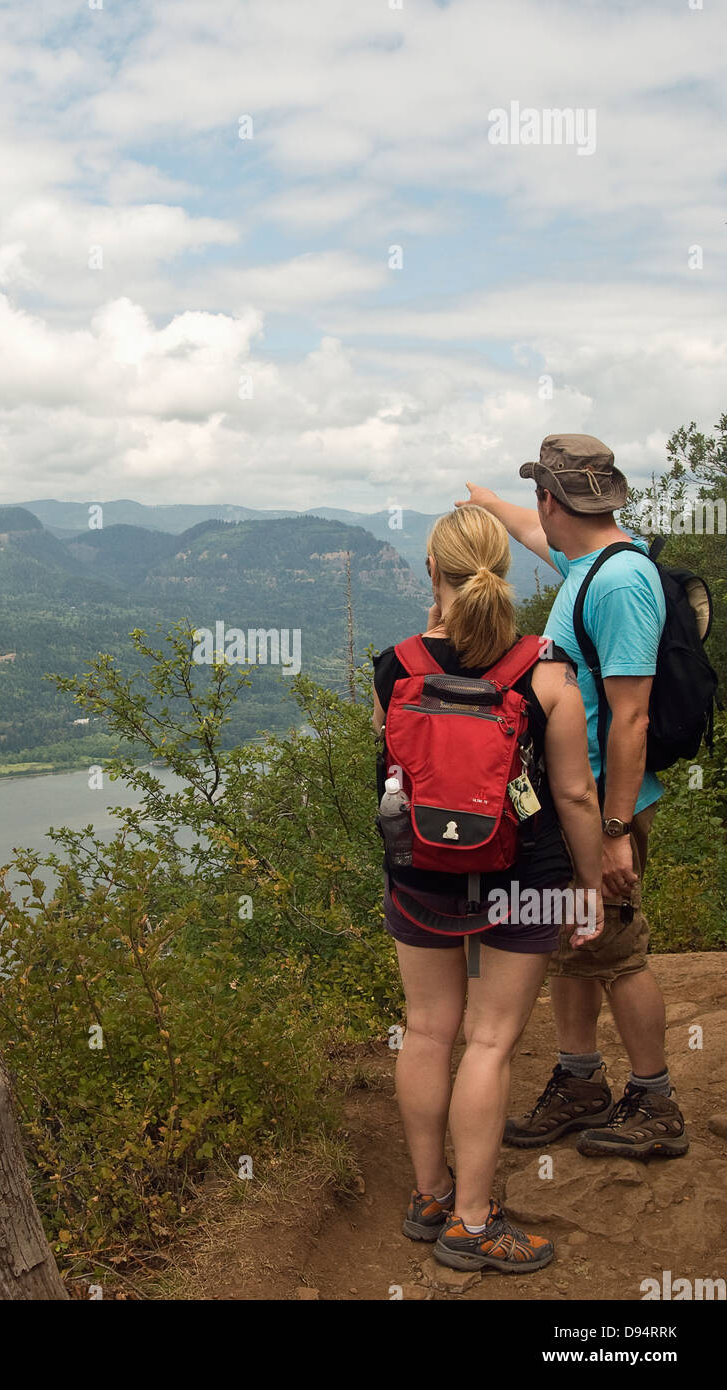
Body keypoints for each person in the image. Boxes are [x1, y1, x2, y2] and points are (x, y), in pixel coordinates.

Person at [372, 504, 604, 1274]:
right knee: (491, 1040)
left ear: (432, 574)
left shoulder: (394, 666)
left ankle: (432, 1194)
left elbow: (396, 772)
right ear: (501, 572)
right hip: (523, 878)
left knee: (428, 1031)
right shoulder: (546, 670)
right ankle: (473, 1226)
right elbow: (572, 797)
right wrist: (592, 885)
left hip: (418, 874)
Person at [458, 433, 688, 1159]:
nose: (536, 515)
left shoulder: (618, 583)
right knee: (578, 944)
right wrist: (487, 504)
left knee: (616, 945)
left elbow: (632, 715)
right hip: (576, 797)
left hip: (601, 801)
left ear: (553, 498)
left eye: (537, 499)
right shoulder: (589, 558)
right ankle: (581, 1080)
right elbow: (535, 537)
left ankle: (654, 1102)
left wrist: (614, 830)